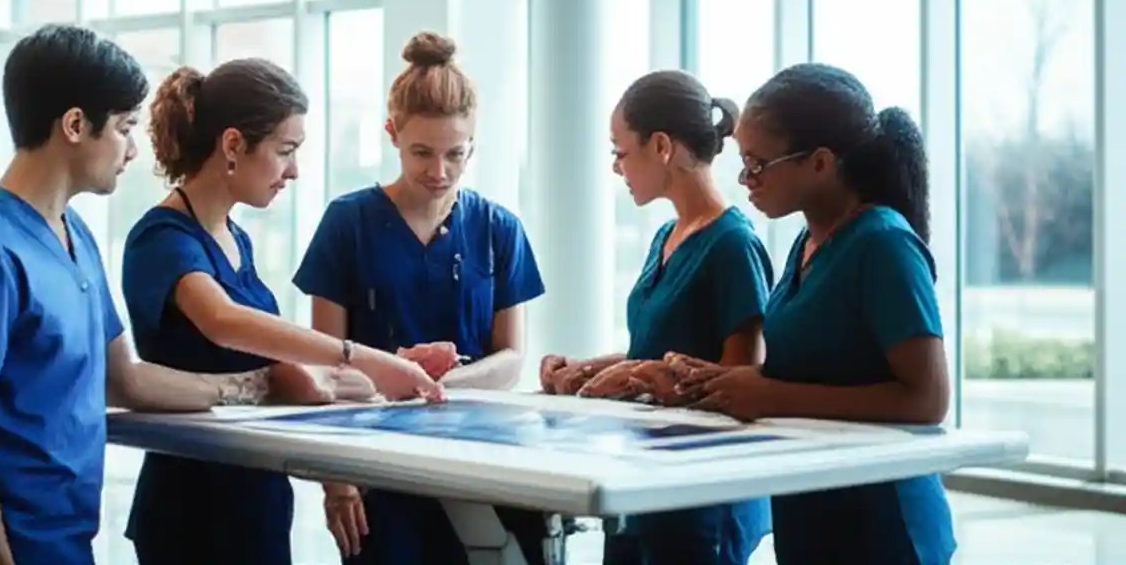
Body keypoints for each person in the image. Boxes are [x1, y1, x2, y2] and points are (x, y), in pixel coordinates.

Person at [0, 25, 366, 565]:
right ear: (75, 125)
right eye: (124, 128)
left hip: (64, 542)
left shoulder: (75, 237)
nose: (132, 149)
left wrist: (259, 385)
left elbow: (124, 379)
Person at [119, 57, 446, 565]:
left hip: (257, 504)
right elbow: (224, 323)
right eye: (286, 150)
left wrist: (380, 372)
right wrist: (359, 357)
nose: (293, 170)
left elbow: (280, 373)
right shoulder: (161, 239)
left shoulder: (237, 240)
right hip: (192, 514)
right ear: (233, 145)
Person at [671, 62, 955, 565]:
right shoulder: (809, 242)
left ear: (821, 163)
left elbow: (927, 399)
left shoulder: (883, 244)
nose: (745, 178)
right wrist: (719, 381)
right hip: (814, 515)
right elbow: (820, 368)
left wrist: (771, 396)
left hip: (882, 525)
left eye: (758, 164)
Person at [293, 31, 547, 564]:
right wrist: (336, 480)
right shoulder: (348, 223)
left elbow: (511, 357)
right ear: (392, 133)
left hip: (478, 460)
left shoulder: (499, 229)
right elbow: (325, 364)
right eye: (422, 153)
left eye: (456, 154)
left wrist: (428, 385)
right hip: (375, 469)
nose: (439, 172)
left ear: (473, 142)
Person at [538, 70, 772, 565]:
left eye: (620, 152)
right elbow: (659, 346)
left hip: (699, 494)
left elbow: (740, 381)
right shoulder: (667, 236)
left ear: (661, 146)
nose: (616, 167)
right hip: (644, 479)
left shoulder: (733, 245)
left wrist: (643, 375)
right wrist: (588, 370)